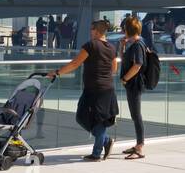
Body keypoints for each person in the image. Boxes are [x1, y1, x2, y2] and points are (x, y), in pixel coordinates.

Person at [48, 19, 119, 160]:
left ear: (96, 31)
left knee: (83, 116)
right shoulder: (111, 48)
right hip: (107, 88)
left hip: (94, 89)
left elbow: (75, 63)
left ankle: (97, 152)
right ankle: (105, 141)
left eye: (91, 29)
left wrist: (57, 72)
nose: (90, 31)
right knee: (97, 118)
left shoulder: (91, 45)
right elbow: (114, 69)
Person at [119, 16, 148, 159]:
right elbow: (124, 59)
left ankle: (140, 146)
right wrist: (122, 46)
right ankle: (138, 144)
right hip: (131, 84)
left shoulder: (137, 45)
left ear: (127, 29)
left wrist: (125, 78)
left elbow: (137, 65)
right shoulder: (135, 43)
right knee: (135, 114)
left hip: (134, 84)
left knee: (136, 115)